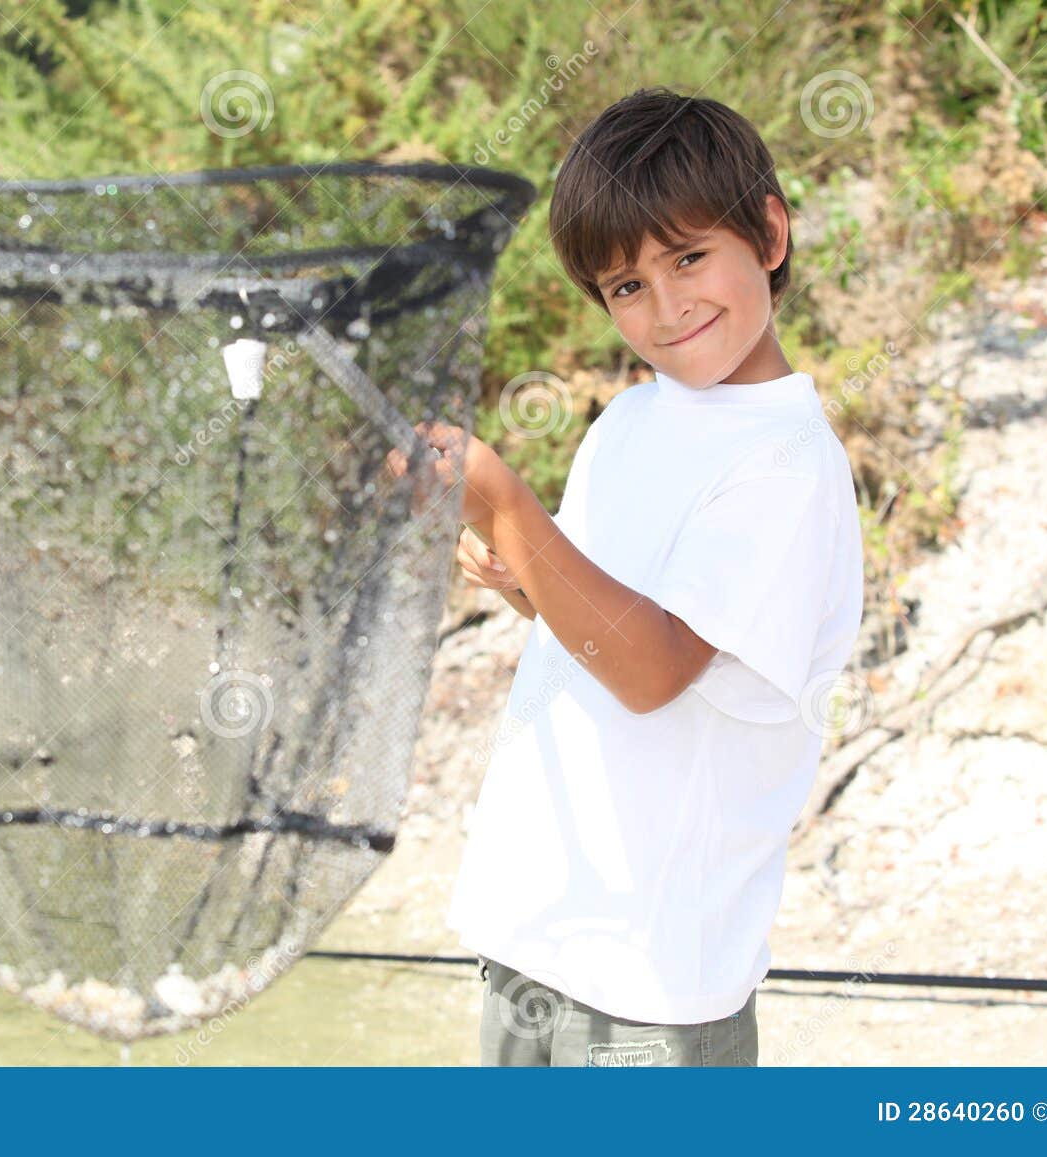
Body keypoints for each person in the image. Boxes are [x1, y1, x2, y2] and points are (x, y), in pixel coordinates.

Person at [387, 86, 865, 1066]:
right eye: (625, 286)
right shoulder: (634, 420)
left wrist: (509, 504)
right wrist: (515, 565)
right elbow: (598, 616)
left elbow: (650, 670)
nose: (666, 305)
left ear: (769, 233)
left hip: (652, 982)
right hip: (535, 931)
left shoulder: (785, 463)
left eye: (687, 257)